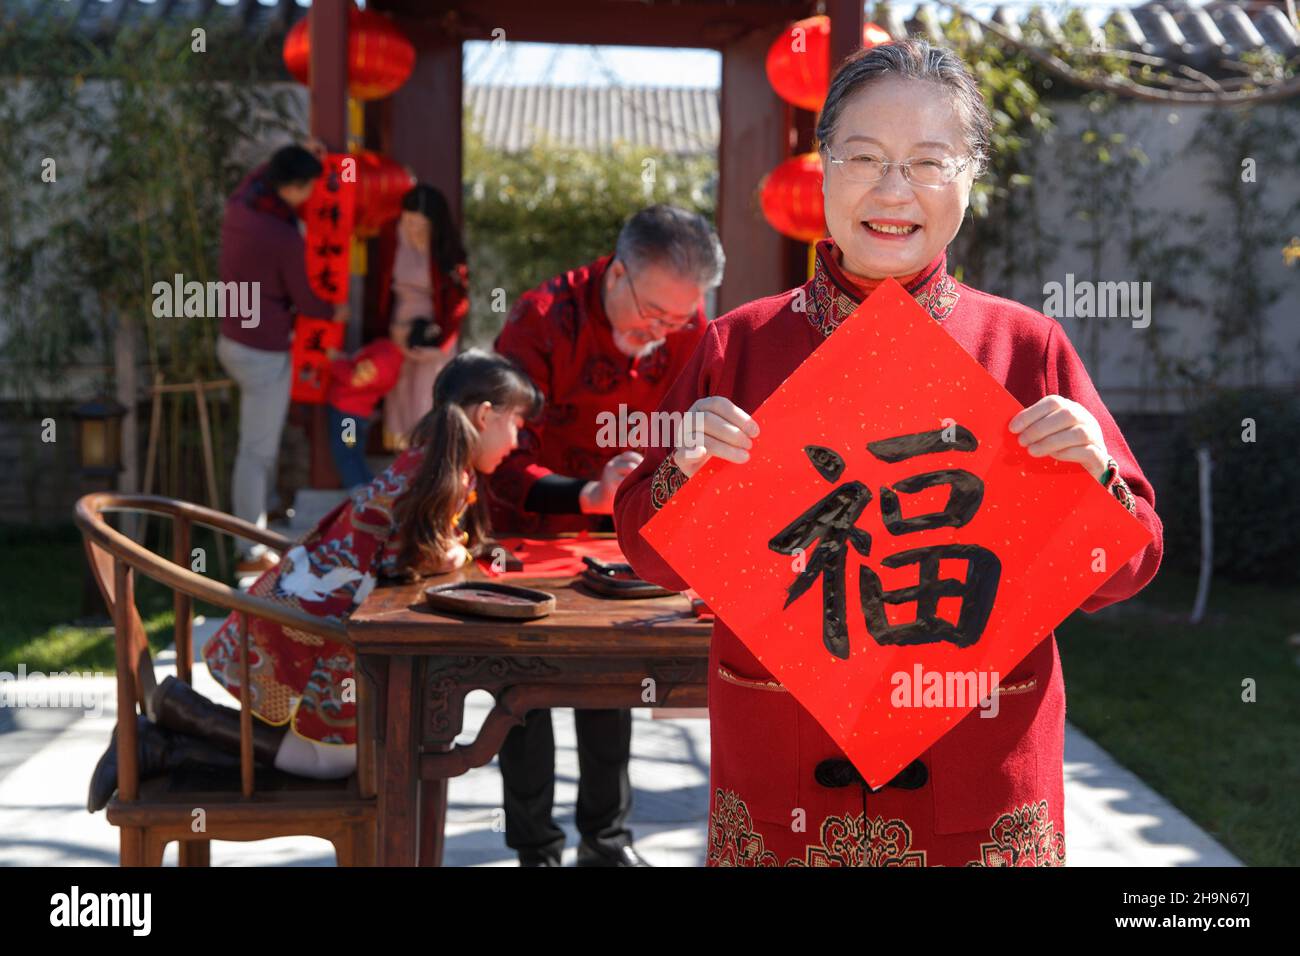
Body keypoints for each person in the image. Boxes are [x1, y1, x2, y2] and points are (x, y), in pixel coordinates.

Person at [615, 40, 1164, 867]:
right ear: (823, 170)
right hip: (784, 774)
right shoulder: (738, 345)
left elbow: (1127, 569)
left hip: (979, 778)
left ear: (971, 175)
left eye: (928, 162)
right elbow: (646, 555)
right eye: (863, 157)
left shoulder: (1024, 347)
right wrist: (679, 472)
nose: (893, 189)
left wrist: (1094, 481)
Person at [88, 350, 542, 812]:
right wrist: (449, 556)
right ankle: (170, 722)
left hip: (318, 615)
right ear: (485, 415)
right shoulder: (434, 473)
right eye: (518, 424)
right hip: (314, 625)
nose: (517, 439)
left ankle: (168, 731)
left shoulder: (433, 464)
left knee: (352, 752)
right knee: (332, 762)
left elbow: (412, 550)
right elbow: (413, 552)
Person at [489, 203, 725, 867]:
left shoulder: (687, 325)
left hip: (625, 530)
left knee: (612, 675)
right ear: (616, 274)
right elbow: (502, 458)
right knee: (524, 686)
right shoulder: (542, 319)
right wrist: (585, 493)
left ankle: (606, 840)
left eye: (678, 321)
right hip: (532, 523)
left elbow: (694, 430)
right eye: (652, 314)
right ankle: (535, 847)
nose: (661, 334)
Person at [217, 143, 350, 575]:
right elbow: (307, 300)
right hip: (263, 352)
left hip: (233, 341)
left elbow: (263, 170)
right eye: (307, 187)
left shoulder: (243, 202)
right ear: (290, 186)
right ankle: (248, 550)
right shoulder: (282, 236)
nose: (312, 196)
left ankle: (266, 514)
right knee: (256, 451)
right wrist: (337, 312)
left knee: (258, 443)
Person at [374, 183, 470, 450]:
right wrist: (394, 330)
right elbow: (383, 291)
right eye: (408, 222)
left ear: (434, 224)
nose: (412, 228)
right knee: (401, 396)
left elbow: (458, 303)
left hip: (434, 333)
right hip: (400, 327)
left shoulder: (447, 252)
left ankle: (429, 465)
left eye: (419, 224)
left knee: (427, 398)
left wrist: (442, 341)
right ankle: (403, 465)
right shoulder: (393, 238)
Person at [325, 334, 405, 488]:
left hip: (347, 414)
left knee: (347, 455)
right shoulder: (395, 358)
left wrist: (335, 360)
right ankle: (369, 489)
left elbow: (355, 378)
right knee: (354, 454)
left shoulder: (383, 354)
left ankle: (360, 492)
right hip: (359, 412)